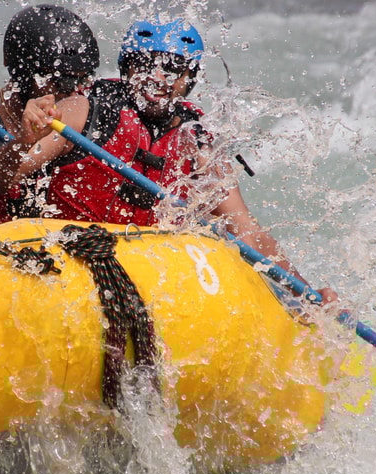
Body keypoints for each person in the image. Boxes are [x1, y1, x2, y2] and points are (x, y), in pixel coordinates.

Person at [111, 16, 336, 302]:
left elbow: (247, 231)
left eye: (172, 69)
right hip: (78, 250)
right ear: (126, 68)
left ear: (188, 79)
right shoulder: (86, 110)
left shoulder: (197, 144)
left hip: (152, 267)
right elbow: (32, 159)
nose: (157, 78)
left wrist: (306, 293)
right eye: (144, 64)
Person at [0, 4, 152, 235]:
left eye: (83, 81)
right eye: (63, 81)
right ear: (22, 70)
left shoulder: (72, 116)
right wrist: (22, 143)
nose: (74, 92)